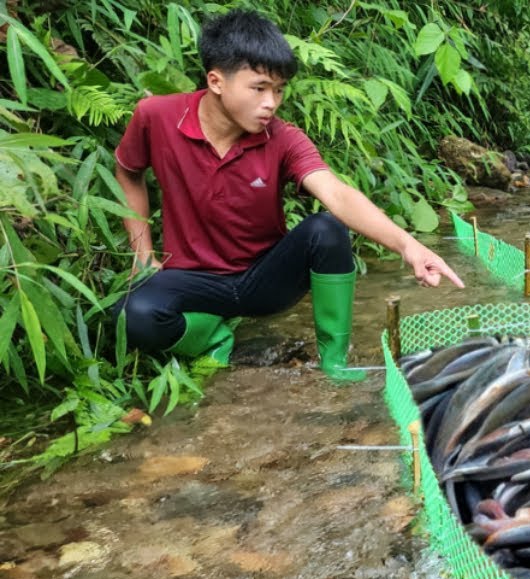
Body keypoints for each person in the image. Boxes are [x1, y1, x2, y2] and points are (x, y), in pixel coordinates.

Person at [113, 9, 462, 383]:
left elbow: (337, 194)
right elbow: (128, 172)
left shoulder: (283, 138)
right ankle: (214, 337)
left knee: (326, 228)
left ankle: (335, 361)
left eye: (279, 90)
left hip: (264, 280)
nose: (271, 103)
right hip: (191, 277)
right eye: (259, 88)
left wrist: (409, 246)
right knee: (129, 317)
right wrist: (143, 255)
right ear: (216, 81)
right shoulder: (157, 117)